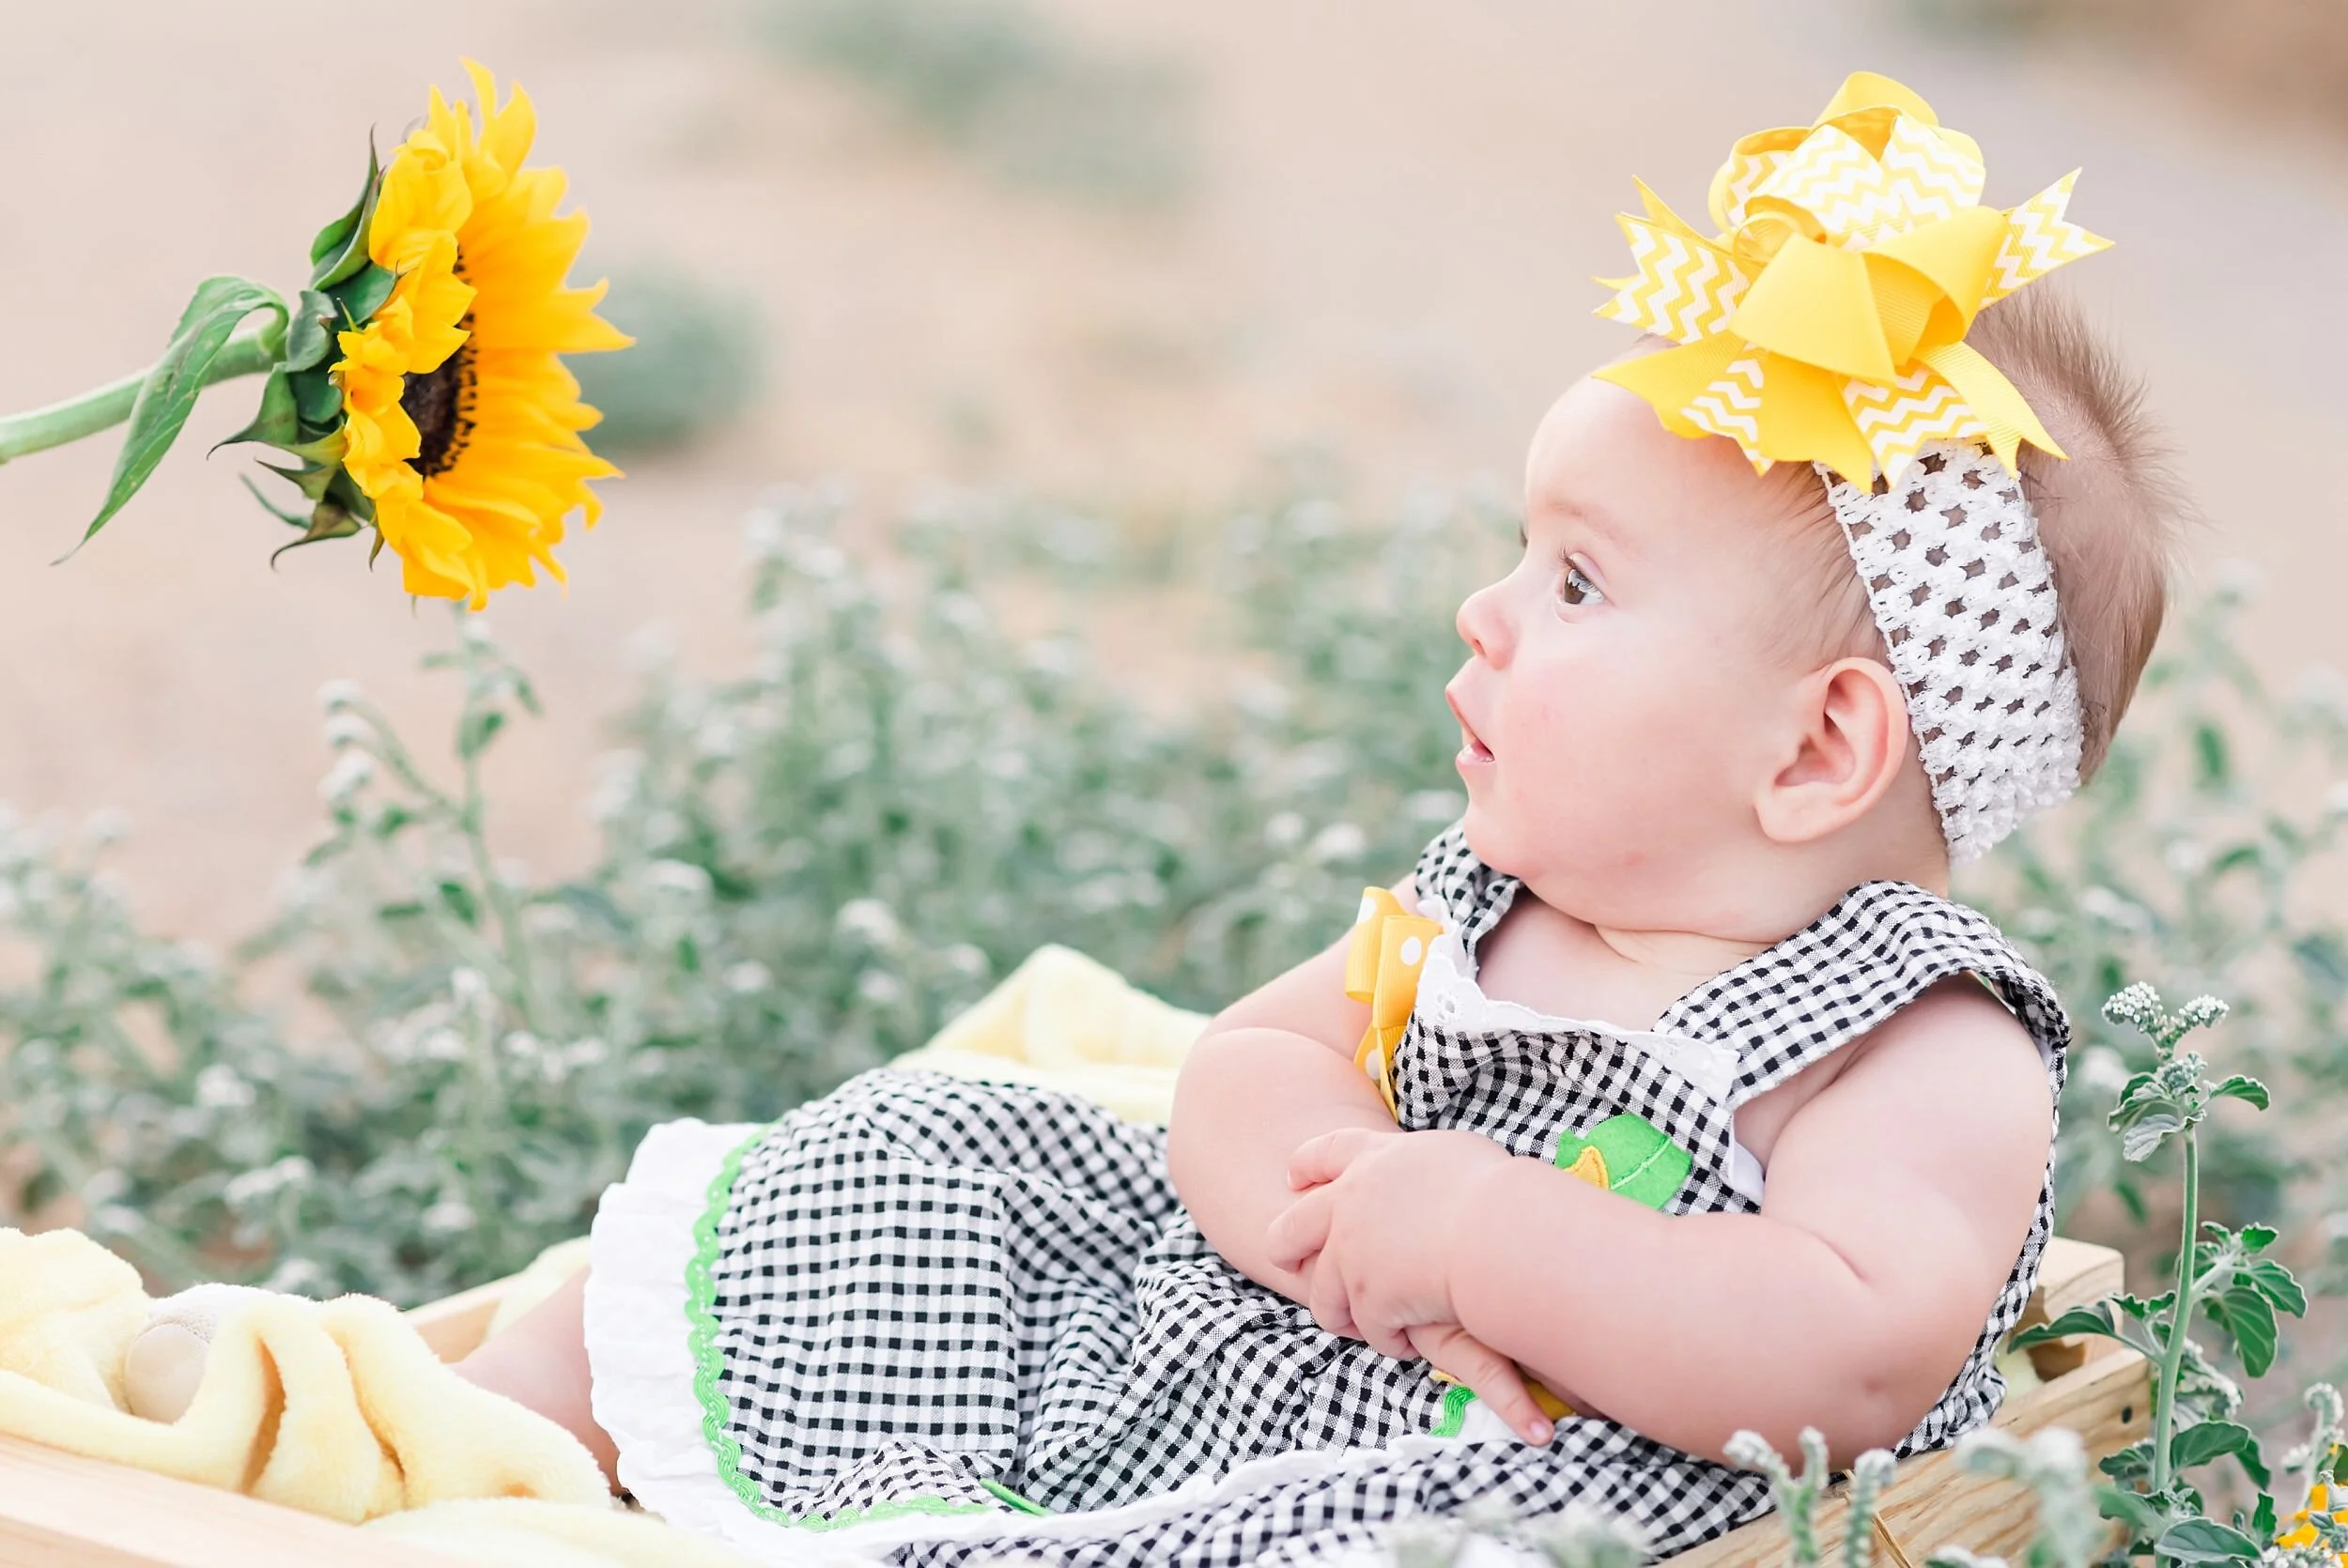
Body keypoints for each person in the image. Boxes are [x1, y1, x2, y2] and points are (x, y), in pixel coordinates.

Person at [454, 72, 2183, 1567]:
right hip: (1225, 1346)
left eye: (1579, 581)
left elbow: (1854, 1354)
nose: (1485, 615)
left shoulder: (1919, 1037)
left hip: (1480, 1485)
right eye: (1523, 555)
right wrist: (1324, 1193)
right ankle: (454, 1457)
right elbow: (1246, 1060)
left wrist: (1499, 1239)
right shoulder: (1493, 902)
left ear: (1816, 752)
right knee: (909, 1157)